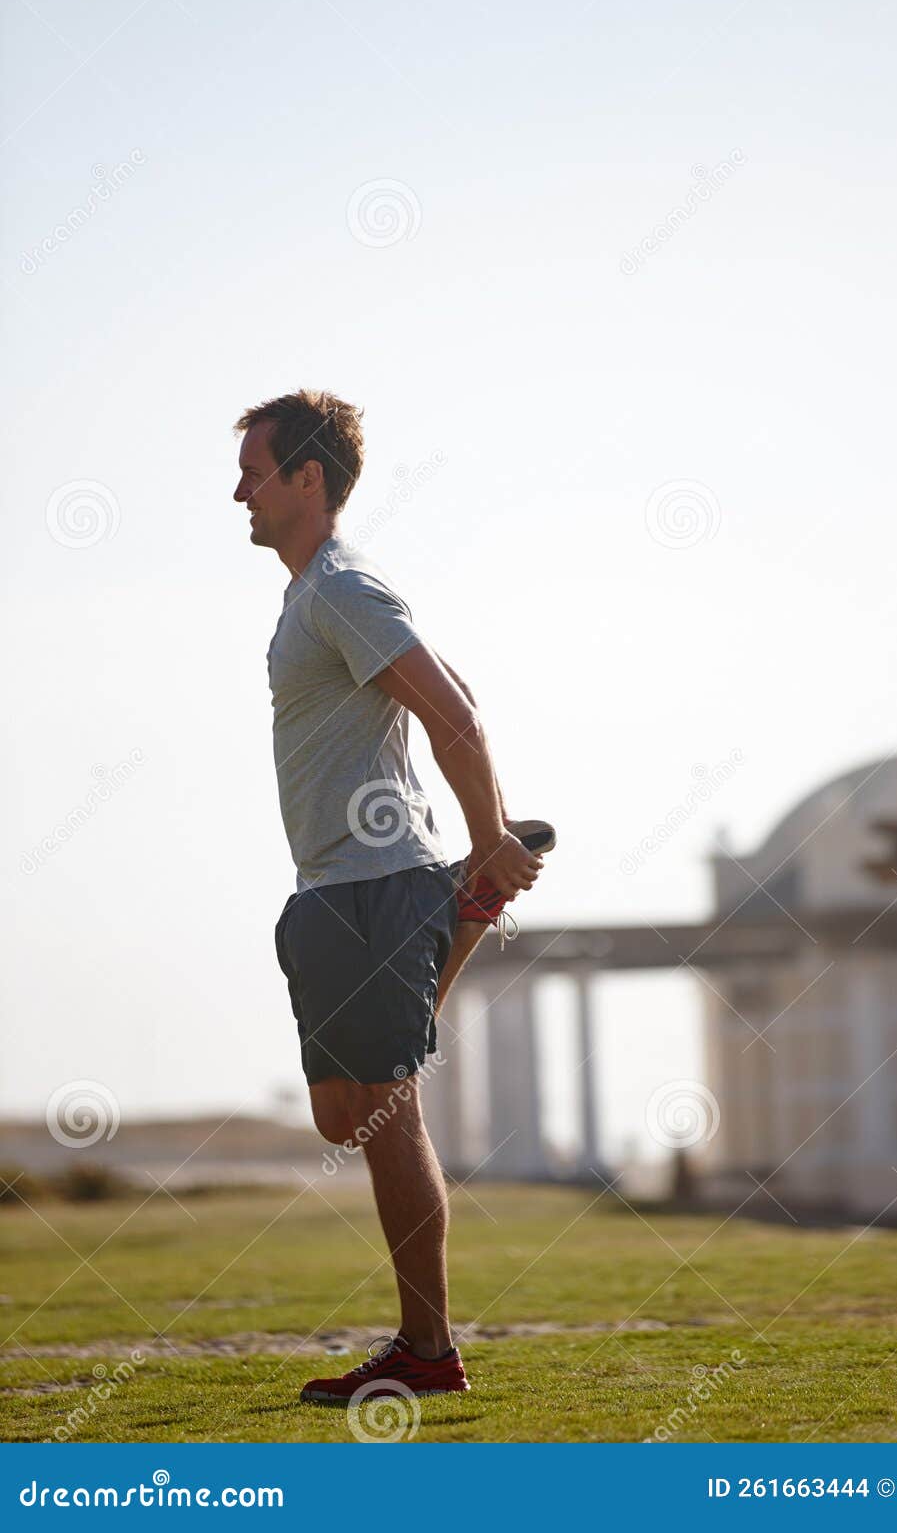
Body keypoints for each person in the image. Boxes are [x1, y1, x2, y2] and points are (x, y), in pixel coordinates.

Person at [232, 388, 554, 1407]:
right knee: (340, 1117)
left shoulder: (340, 588)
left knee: (385, 1111)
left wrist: (488, 837)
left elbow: (453, 712)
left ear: (308, 479)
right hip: (335, 888)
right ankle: (458, 920)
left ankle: (425, 1347)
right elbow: (452, 686)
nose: (238, 487)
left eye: (255, 468)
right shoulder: (313, 595)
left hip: (377, 885)